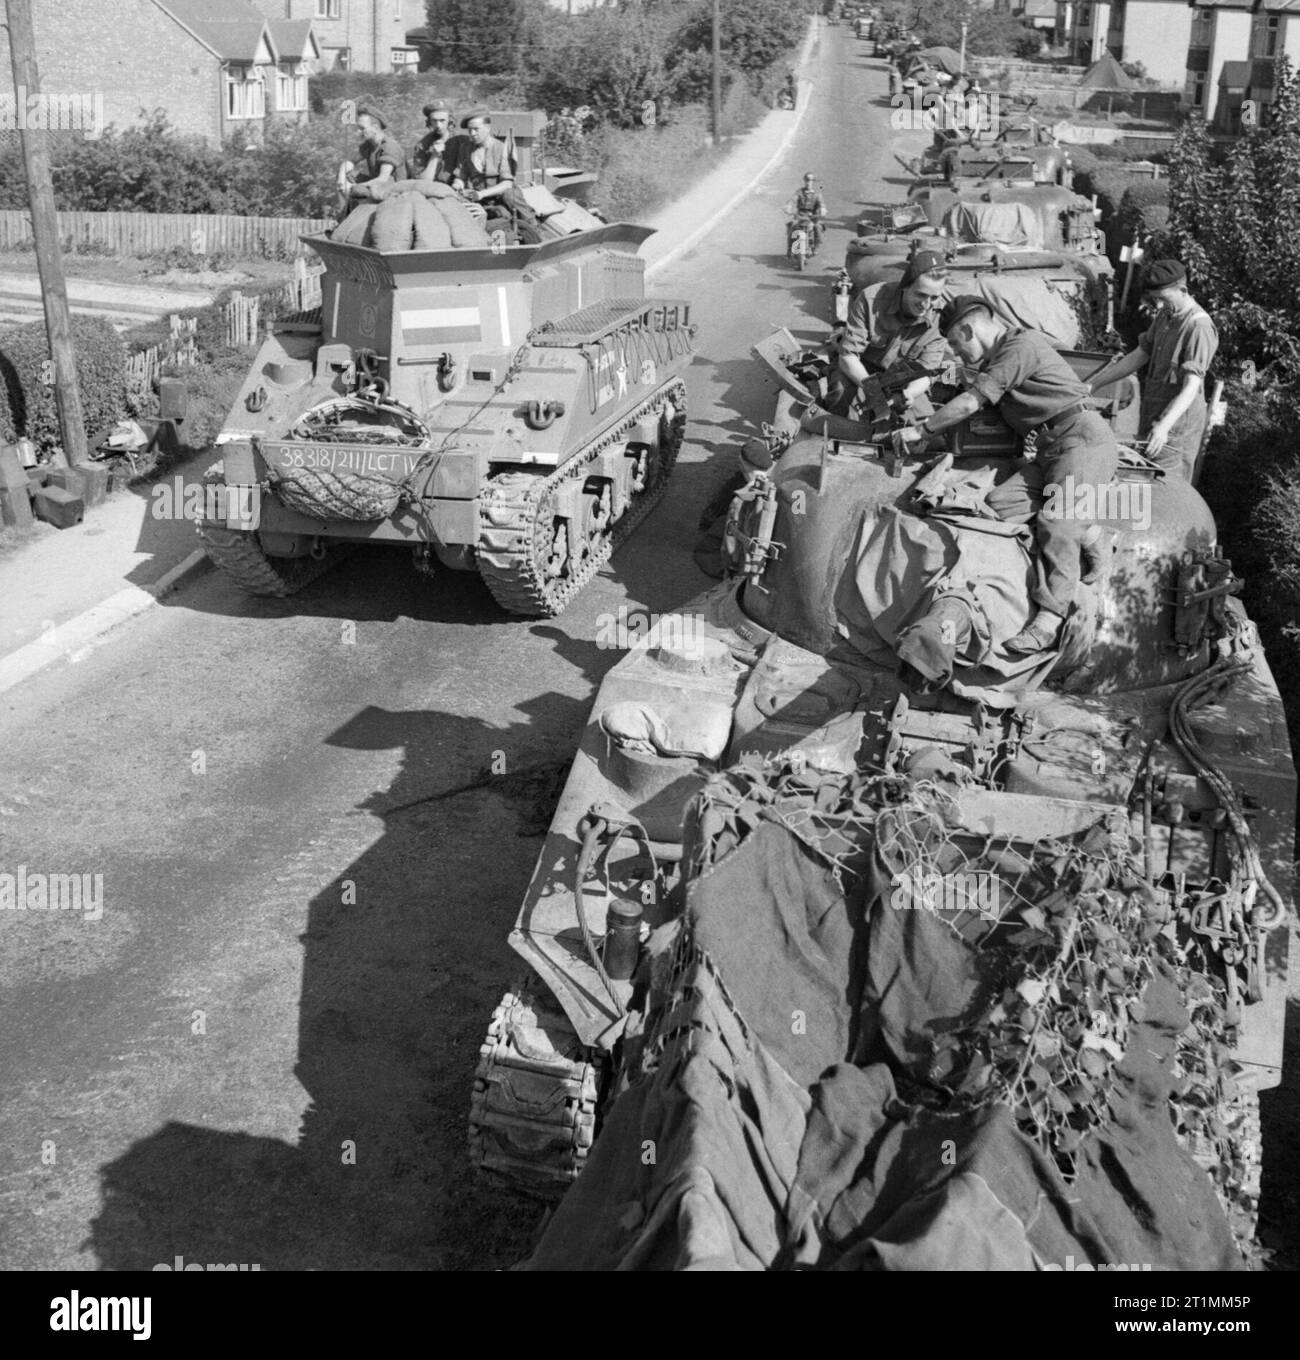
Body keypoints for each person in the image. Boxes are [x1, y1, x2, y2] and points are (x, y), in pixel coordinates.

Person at [898, 295, 1118, 655]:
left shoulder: (1020, 345)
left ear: (968, 329)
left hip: (1082, 440)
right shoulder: (1001, 356)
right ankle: (1092, 532)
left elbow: (971, 402)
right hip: (1051, 449)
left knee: (1056, 520)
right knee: (1000, 506)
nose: (956, 352)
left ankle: (1049, 619)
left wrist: (922, 431)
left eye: (955, 343)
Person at [1088, 258, 1219, 482]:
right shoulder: (1165, 316)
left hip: (1175, 430)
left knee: (1167, 491)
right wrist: (1094, 384)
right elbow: (1139, 355)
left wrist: (1164, 428)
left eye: (1162, 299)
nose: (1157, 306)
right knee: (1141, 481)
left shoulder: (1198, 327)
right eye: (1153, 299)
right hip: (1153, 418)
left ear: (1183, 290)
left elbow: (1191, 388)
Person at [832, 249, 950, 414]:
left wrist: (908, 393)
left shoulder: (941, 317)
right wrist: (873, 390)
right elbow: (847, 357)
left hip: (902, 381)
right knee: (839, 394)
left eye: (934, 297)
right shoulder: (871, 300)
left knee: (925, 422)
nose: (926, 304)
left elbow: (927, 371)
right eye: (921, 295)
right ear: (905, 287)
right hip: (861, 371)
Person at [445, 108, 541, 243]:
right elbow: (461, 175)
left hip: (502, 195)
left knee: (510, 195)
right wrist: (457, 186)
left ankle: (533, 230)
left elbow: (507, 183)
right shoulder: (465, 148)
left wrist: (482, 194)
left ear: (488, 128)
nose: (472, 134)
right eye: (469, 130)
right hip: (481, 199)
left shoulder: (501, 148)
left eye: (476, 129)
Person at [342, 105, 408, 203]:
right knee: (347, 174)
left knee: (357, 190)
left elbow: (383, 179)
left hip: (393, 190)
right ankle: (346, 214)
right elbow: (351, 161)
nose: (358, 132)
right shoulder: (369, 145)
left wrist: (352, 186)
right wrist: (341, 178)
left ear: (375, 128)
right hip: (377, 185)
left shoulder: (390, 147)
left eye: (362, 128)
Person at [412, 102, 462, 183]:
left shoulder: (461, 142)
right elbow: (422, 181)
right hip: (432, 187)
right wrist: (434, 155)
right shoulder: (422, 145)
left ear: (450, 120)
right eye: (434, 121)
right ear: (429, 122)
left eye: (442, 120)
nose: (438, 125)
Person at [787, 173, 826, 252]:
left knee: (818, 228)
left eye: (810, 180)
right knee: (792, 227)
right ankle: (790, 248)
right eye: (807, 180)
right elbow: (793, 199)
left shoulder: (817, 194)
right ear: (804, 181)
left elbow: (821, 203)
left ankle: (816, 247)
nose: (808, 182)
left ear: (813, 182)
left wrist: (822, 209)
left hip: (812, 216)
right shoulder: (799, 192)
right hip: (800, 215)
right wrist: (788, 206)